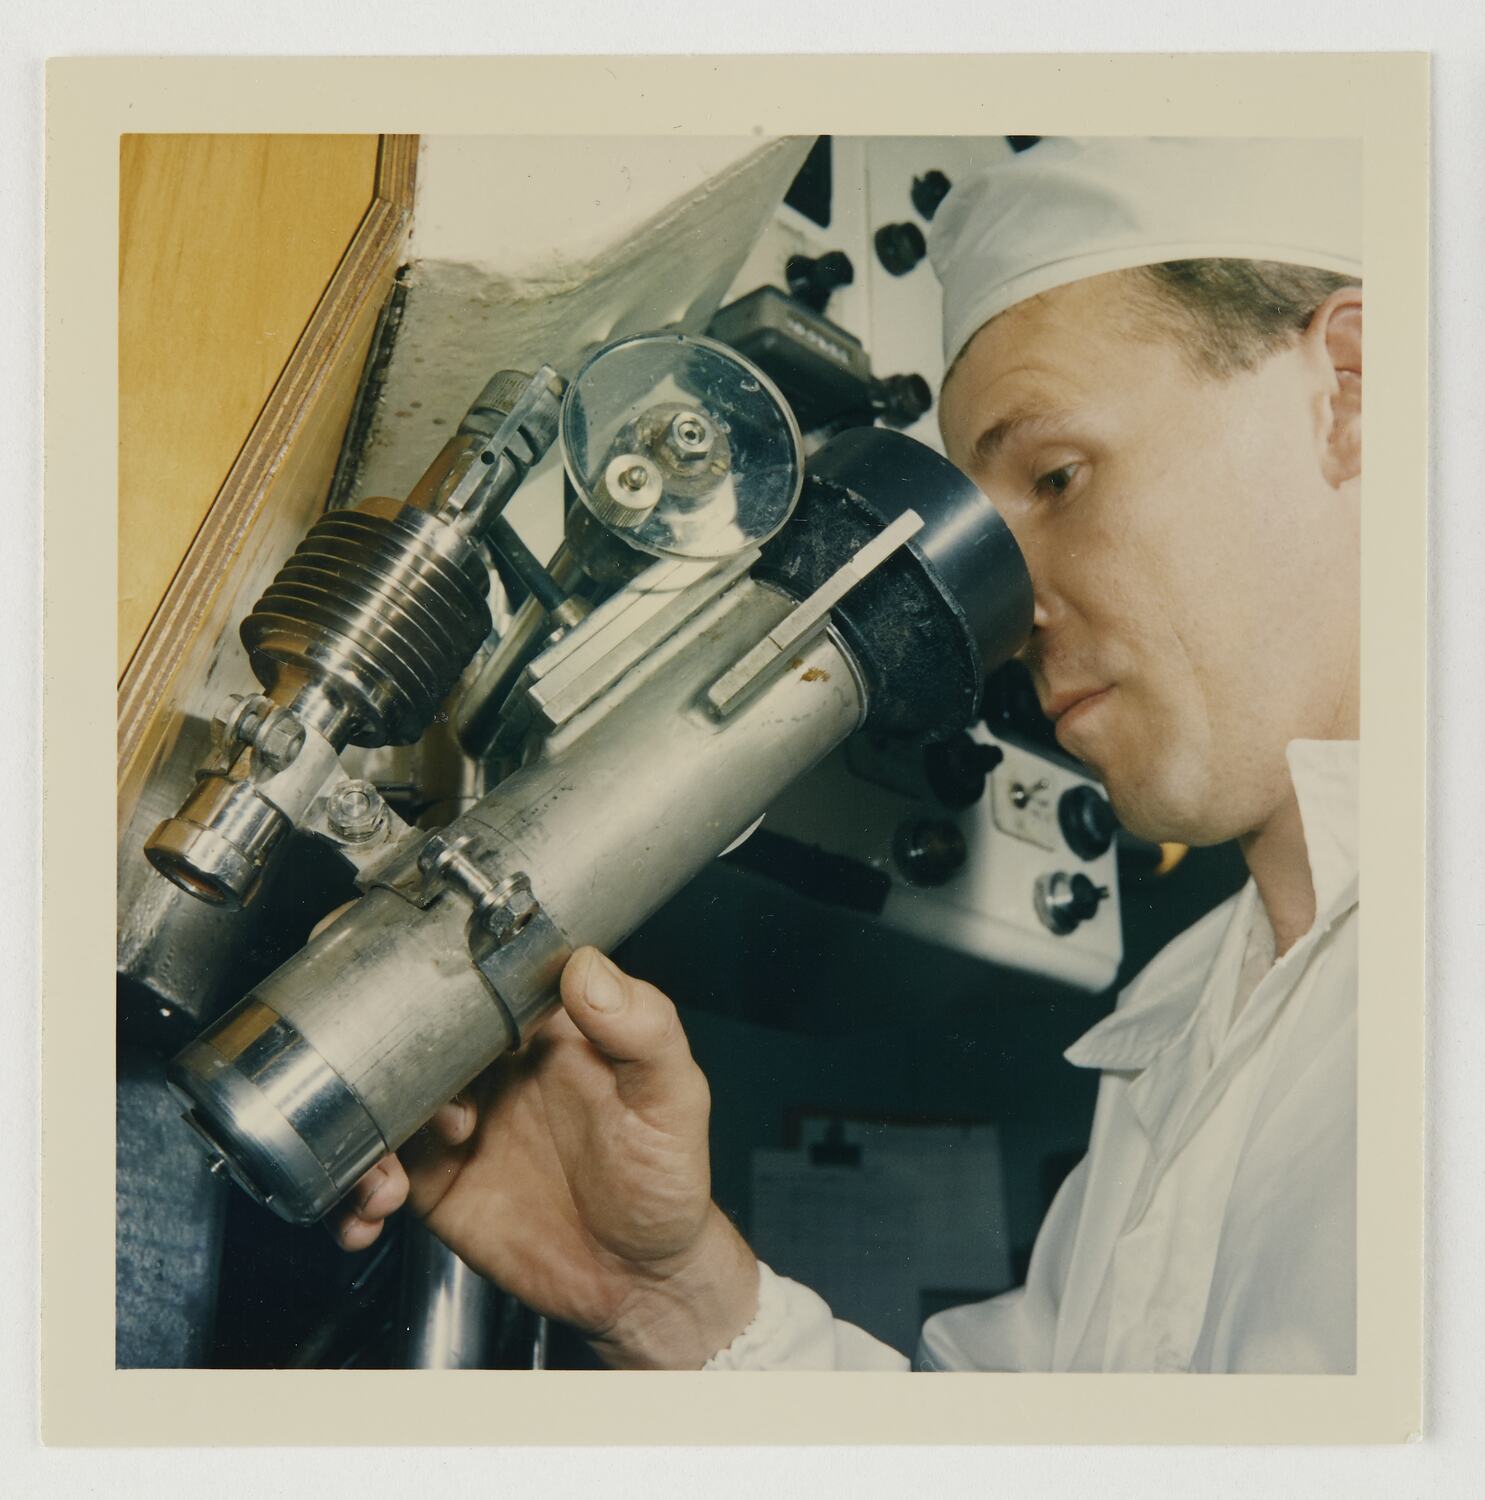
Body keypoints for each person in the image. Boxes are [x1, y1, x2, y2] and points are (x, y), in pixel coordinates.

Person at [330, 137, 1363, 1373]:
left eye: (1060, 475)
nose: (1008, 613)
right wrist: (663, 1296)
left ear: (1352, 389)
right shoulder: (1194, 1016)